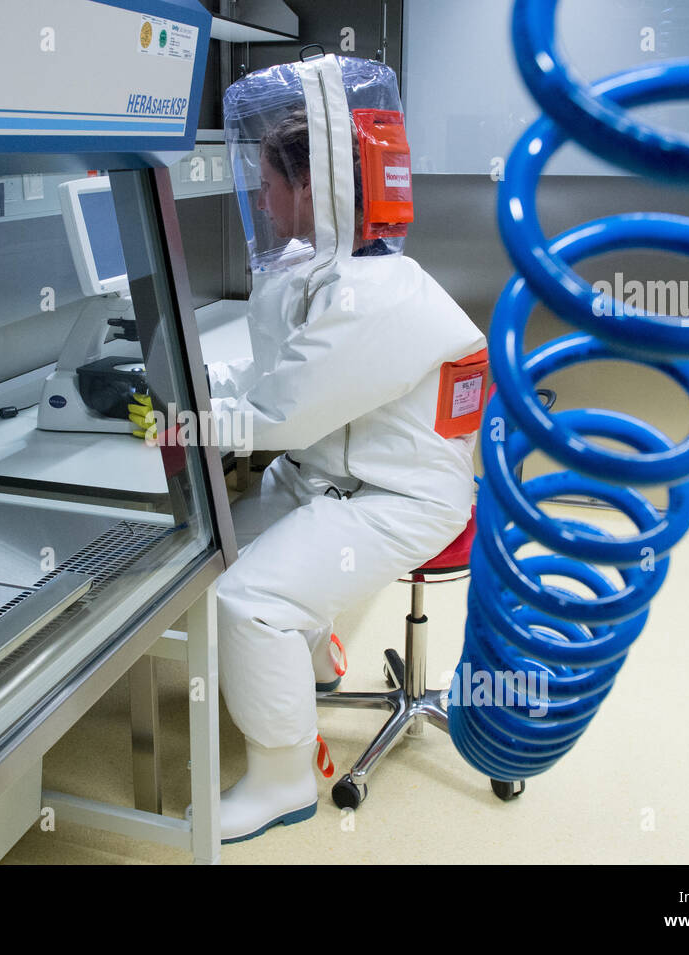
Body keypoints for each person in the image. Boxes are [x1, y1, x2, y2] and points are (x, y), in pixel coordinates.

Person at [184, 55, 487, 843]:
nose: (262, 200)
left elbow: (278, 413)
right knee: (214, 553)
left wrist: (179, 418)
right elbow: (279, 372)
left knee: (244, 597)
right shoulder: (327, 271)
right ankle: (314, 662)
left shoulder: (376, 297)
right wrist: (200, 386)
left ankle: (283, 777)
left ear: (316, 190)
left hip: (400, 495)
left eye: (271, 184)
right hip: (333, 471)